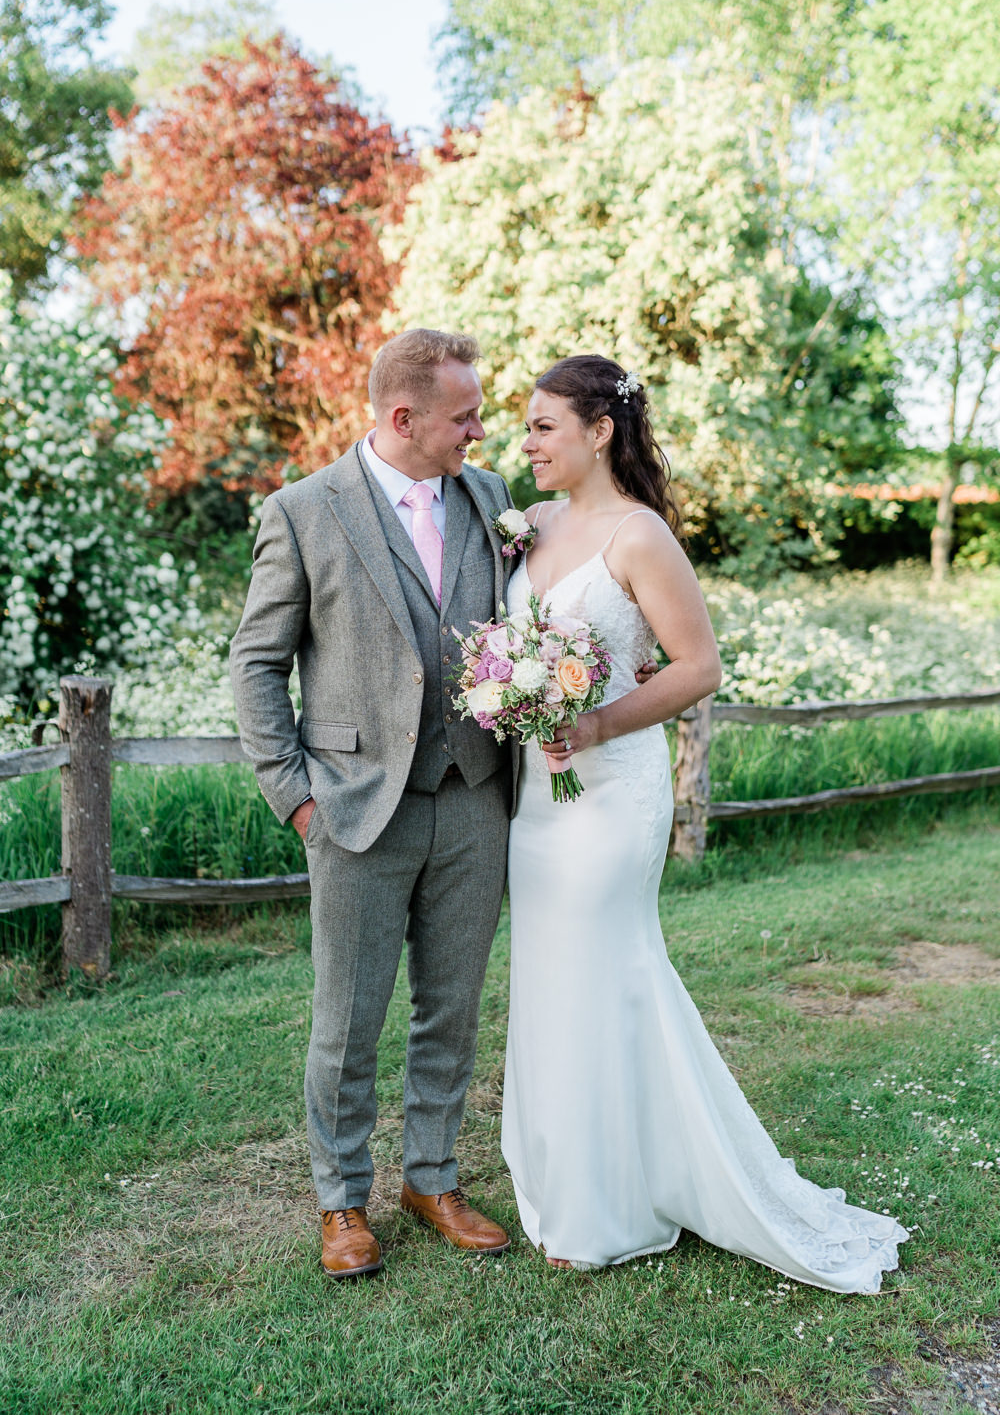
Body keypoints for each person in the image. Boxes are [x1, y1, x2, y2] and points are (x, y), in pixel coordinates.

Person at [500, 354, 909, 1291]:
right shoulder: (530, 528)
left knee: (609, 968)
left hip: (615, 792)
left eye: (542, 428)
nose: (525, 445)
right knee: (551, 974)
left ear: (600, 432)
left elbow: (697, 668)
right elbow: (518, 648)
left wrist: (596, 719)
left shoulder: (640, 537)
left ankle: (609, 1204)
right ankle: (561, 1172)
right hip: (541, 794)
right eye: (523, 428)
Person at [229, 329, 516, 1279]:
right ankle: (340, 1200)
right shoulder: (304, 512)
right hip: (352, 807)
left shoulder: (489, 497)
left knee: (454, 1008)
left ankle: (431, 1177)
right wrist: (295, 798)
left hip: (474, 797)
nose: (481, 427)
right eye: (464, 414)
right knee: (347, 1021)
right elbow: (257, 662)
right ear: (404, 419)